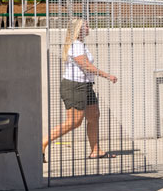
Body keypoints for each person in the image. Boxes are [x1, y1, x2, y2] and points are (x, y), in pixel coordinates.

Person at [43, 19, 118, 158]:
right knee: (74, 122)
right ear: (79, 29)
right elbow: (86, 65)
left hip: (86, 85)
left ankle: (95, 150)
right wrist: (107, 75)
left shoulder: (80, 44)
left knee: (94, 115)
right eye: (86, 26)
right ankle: (42, 143)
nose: (89, 28)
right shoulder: (76, 45)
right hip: (75, 86)